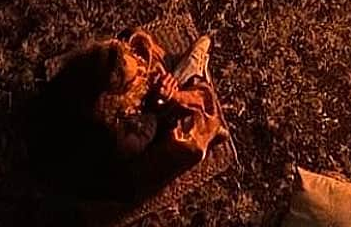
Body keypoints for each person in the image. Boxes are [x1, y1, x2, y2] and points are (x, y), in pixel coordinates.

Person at [33, 30, 222, 202]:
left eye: (136, 62)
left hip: (124, 113)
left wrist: (147, 76)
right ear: (115, 97)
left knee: (146, 51)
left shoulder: (87, 68)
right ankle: (192, 75)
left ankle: (188, 75)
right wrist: (162, 103)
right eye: (136, 77)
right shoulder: (114, 135)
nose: (142, 69)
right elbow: (144, 136)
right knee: (189, 142)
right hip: (125, 158)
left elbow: (128, 48)